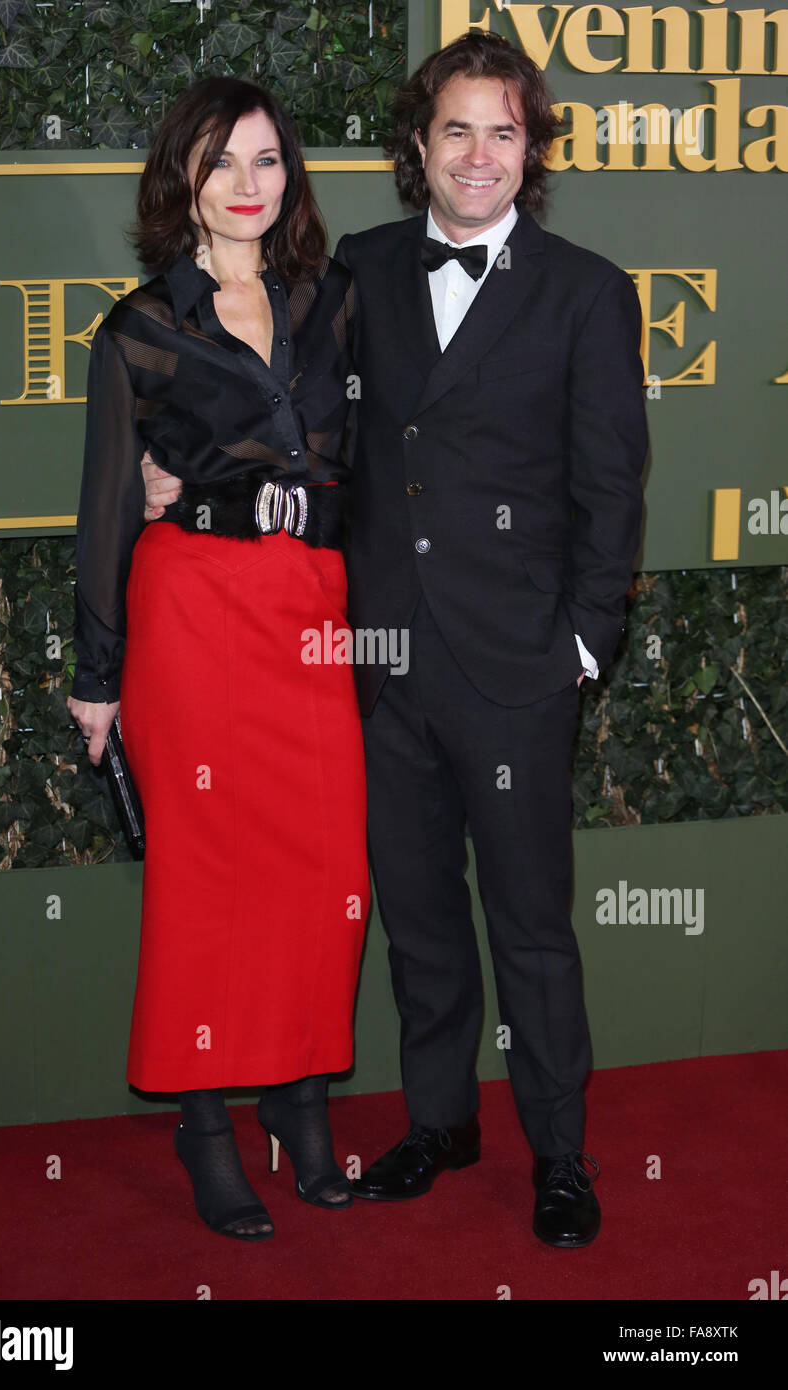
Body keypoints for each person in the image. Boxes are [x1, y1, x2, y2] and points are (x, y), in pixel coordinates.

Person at [141, 32, 649, 1248]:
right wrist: (181, 472)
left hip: (518, 666)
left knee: (527, 923)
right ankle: (438, 1121)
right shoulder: (353, 274)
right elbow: (271, 397)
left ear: (531, 152)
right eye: (454, 131)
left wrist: (580, 648)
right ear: (416, 149)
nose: (477, 156)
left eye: (502, 132)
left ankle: (560, 1155)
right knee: (416, 915)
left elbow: (613, 488)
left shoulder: (585, 290)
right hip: (375, 662)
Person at [66, 76, 369, 1243]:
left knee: (319, 862)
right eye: (221, 163)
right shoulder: (140, 326)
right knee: (206, 878)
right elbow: (103, 509)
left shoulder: (331, 300)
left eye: (267, 161)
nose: (248, 186)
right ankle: (205, 1121)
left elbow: (366, 452)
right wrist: (99, 678)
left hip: (309, 605)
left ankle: (298, 1101)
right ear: (181, 182)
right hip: (189, 608)